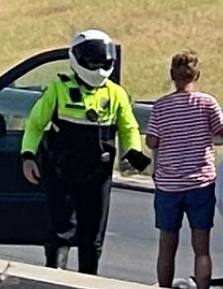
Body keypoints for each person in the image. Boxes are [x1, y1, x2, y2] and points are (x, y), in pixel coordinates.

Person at [21, 30, 152, 272]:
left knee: (92, 235)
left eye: (103, 61)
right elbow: (35, 124)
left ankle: (88, 280)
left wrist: (136, 157)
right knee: (61, 229)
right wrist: (28, 156)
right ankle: (54, 276)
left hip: (98, 175)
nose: (98, 68)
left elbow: (129, 128)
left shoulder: (116, 94)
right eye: (93, 61)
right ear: (77, 59)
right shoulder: (58, 89)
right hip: (62, 172)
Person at [144, 51, 223, 289]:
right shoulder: (207, 103)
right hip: (200, 184)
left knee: (167, 244)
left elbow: (152, 141)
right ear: (197, 74)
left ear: (172, 75)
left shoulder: (161, 107)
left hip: (168, 186)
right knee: (201, 247)